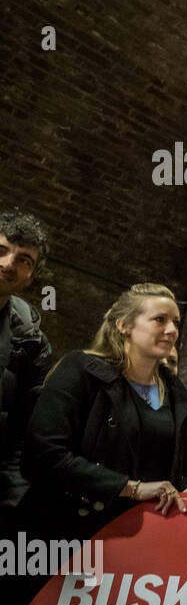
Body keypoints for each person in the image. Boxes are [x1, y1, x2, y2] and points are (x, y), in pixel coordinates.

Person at [1, 283, 187, 605]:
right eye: (160, 319)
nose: (172, 330)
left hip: (131, 556)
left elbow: (183, 467)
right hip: (56, 542)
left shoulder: (177, 394)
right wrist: (130, 488)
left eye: (176, 321)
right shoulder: (81, 370)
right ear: (125, 325)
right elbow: (42, 456)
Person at [0, 210, 52, 510]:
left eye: (24, 260)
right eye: (2, 251)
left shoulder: (30, 343)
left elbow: (23, 434)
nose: (9, 264)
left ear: (31, 276)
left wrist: (11, 500)